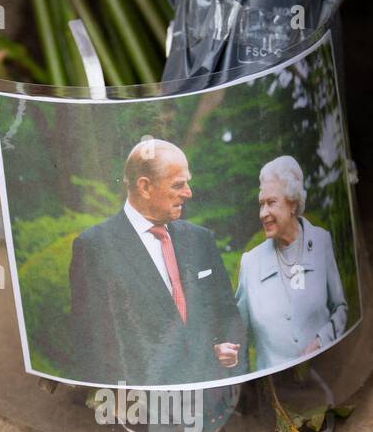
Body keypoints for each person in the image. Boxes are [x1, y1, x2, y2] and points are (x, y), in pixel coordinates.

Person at [69, 138, 245, 386]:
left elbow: (228, 316)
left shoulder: (200, 239)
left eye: (188, 183)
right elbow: (94, 345)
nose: (189, 193)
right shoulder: (95, 247)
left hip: (213, 398)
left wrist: (227, 354)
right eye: (178, 185)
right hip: (143, 409)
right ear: (144, 187)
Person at [235, 155, 348, 372]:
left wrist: (321, 340)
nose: (263, 213)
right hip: (275, 390)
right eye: (261, 204)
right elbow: (238, 335)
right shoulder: (251, 262)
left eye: (271, 203)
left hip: (325, 377)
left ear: (293, 204)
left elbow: (341, 308)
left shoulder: (321, 241)